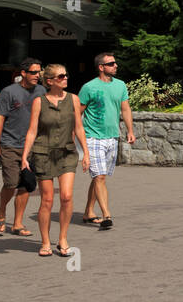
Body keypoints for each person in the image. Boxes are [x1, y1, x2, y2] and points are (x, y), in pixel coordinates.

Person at [21, 64, 89, 257]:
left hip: (67, 153)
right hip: (43, 153)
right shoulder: (39, 102)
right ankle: (45, 242)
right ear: (50, 81)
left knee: (66, 196)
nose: (65, 78)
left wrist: (86, 153)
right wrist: (25, 156)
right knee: (47, 200)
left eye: (66, 75)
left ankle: (63, 238)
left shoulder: (74, 100)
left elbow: (79, 128)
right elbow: (32, 130)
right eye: (60, 76)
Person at [0, 59, 44, 236]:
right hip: (10, 144)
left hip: (32, 146)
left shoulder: (41, 91)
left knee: (26, 184)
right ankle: (2, 211)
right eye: (34, 72)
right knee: (11, 183)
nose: (37, 76)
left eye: (39, 72)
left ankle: (18, 223)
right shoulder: (9, 92)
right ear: (23, 73)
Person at [79, 52, 134, 230]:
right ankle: (106, 215)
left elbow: (125, 109)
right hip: (93, 137)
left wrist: (130, 131)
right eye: (111, 63)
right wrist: (75, 135)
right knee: (100, 176)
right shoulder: (89, 87)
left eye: (115, 63)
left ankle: (88, 211)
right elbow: (77, 112)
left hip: (112, 137)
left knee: (98, 177)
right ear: (101, 67)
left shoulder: (120, 85)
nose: (115, 66)